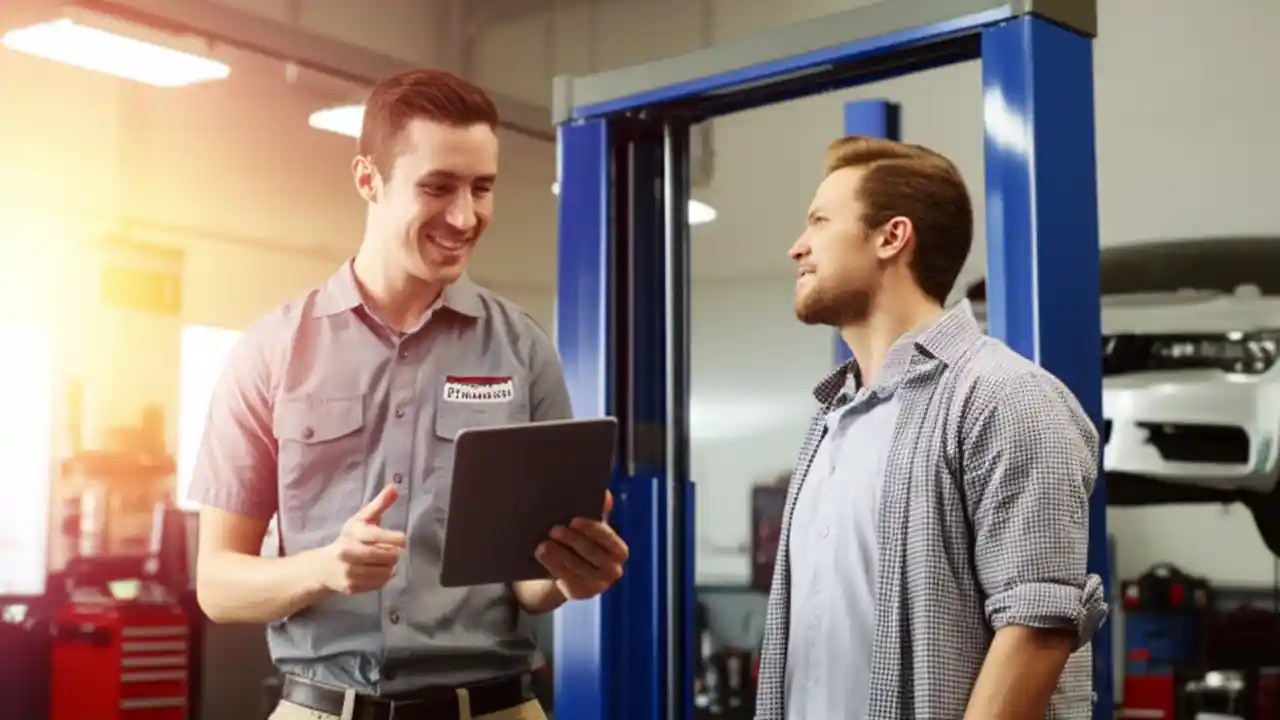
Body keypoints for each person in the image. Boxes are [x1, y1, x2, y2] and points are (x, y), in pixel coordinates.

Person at [189, 68, 629, 720]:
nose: (465, 215)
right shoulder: (272, 352)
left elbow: (530, 585)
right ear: (369, 179)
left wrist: (569, 573)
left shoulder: (522, 350)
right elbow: (218, 585)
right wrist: (322, 568)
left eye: (482, 188)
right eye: (438, 187)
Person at [754, 136, 1107, 720]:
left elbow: (1035, 628)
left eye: (819, 222)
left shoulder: (1005, 397)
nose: (797, 248)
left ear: (891, 237)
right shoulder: (831, 420)